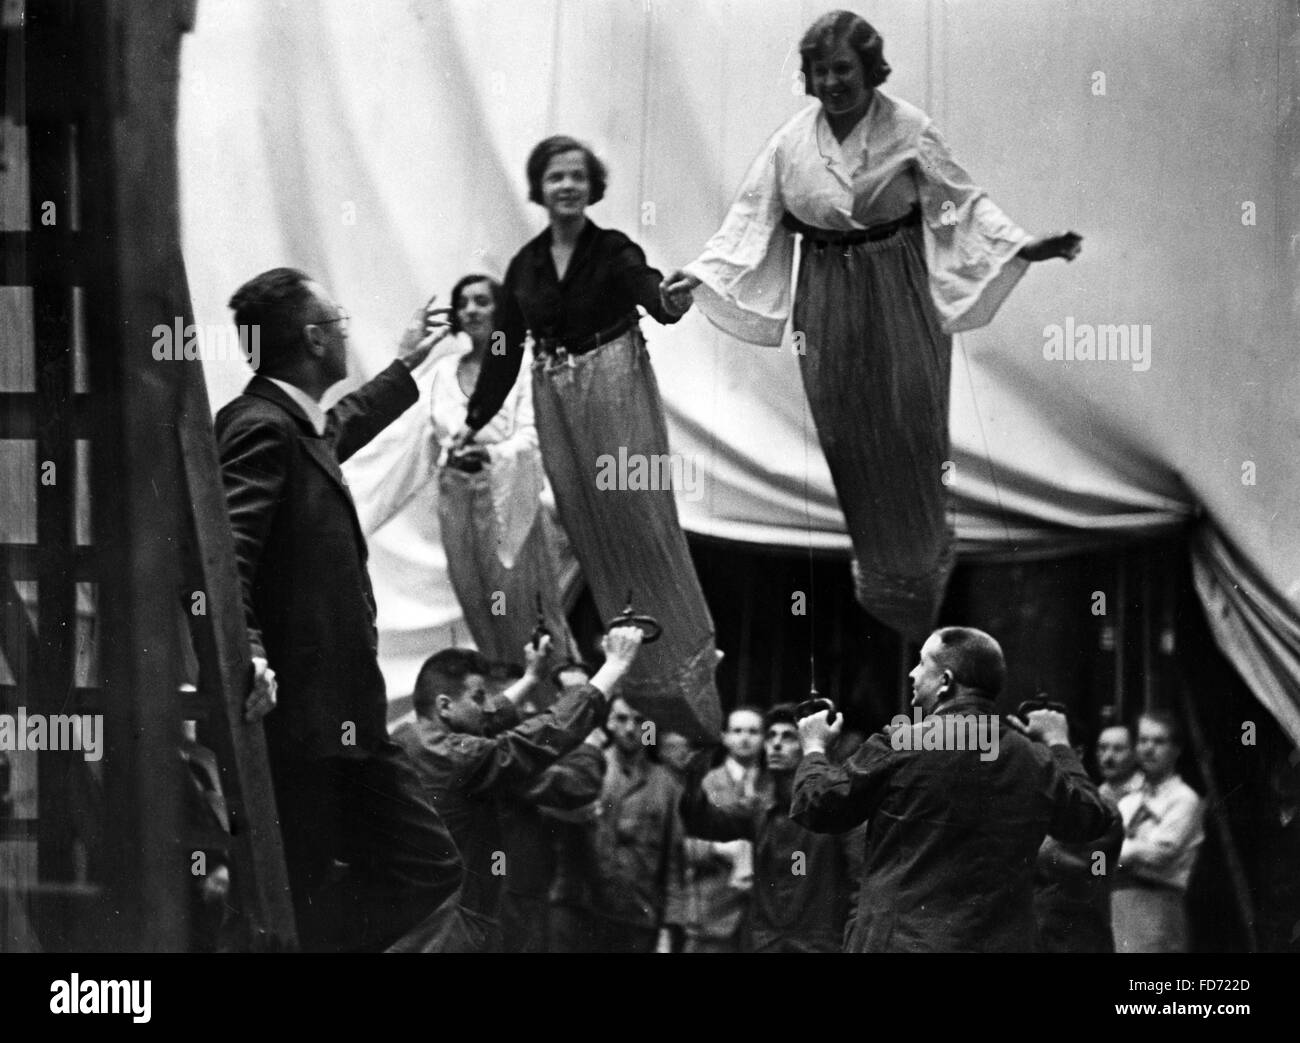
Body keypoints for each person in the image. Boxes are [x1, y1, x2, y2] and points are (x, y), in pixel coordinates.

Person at [661, 11, 1082, 640]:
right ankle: (884, 573)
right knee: (847, 426)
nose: (833, 81)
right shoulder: (789, 143)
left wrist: (1024, 247)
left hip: (899, 280)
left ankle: (928, 549)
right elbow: (749, 222)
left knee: (909, 416)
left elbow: (959, 203)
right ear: (808, 76)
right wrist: (696, 277)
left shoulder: (909, 128)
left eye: (844, 69)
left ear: (870, 70)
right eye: (821, 70)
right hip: (826, 288)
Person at [215, 268, 465, 952]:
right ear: (315, 338)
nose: (347, 334)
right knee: (378, 873)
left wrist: (407, 363)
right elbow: (226, 554)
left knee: (400, 872)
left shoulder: (292, 425)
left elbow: (339, 429)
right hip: (305, 722)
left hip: (340, 717)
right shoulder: (260, 426)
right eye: (341, 322)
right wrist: (252, 655)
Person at [453, 135, 721, 742]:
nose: (566, 186)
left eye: (577, 176)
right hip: (554, 394)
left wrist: (670, 301)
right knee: (585, 522)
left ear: (592, 185)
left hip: (614, 383)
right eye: (555, 178)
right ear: (540, 189)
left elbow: (651, 292)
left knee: (636, 513)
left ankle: (689, 652)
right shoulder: (524, 266)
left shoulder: (612, 249)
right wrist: (473, 421)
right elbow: (502, 353)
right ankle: (643, 669)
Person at [791, 626, 1117, 952]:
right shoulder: (1034, 758)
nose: (911, 673)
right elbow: (1090, 818)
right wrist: (1059, 743)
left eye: (921, 664)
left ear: (946, 681)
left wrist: (814, 748)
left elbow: (817, 807)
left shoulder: (904, 741)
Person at [350, 273, 577, 664]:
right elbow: (399, 440)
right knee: (481, 610)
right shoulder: (441, 372)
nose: (471, 310)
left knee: (529, 612)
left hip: (510, 501)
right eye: (463, 303)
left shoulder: (523, 366)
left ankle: (559, 702)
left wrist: (488, 455)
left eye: (482, 301)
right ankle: (512, 705)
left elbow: (533, 437)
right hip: (456, 504)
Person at [391, 628, 643, 951]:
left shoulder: (408, 736)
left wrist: (532, 676)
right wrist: (611, 670)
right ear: (444, 706)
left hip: (421, 921)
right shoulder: (459, 756)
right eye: (478, 697)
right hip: (448, 933)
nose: (487, 706)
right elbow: (532, 741)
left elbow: (487, 717)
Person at [679, 705, 863, 953]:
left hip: (818, 945)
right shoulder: (760, 809)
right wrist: (693, 776)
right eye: (771, 736)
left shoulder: (837, 810)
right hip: (768, 944)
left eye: (788, 737)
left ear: (807, 745)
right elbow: (706, 821)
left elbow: (859, 887)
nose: (776, 744)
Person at [550, 696, 684, 953]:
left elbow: (674, 862)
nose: (630, 728)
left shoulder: (666, 784)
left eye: (639, 721)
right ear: (608, 722)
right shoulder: (588, 770)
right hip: (585, 909)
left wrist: (669, 925)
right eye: (621, 718)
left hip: (638, 914)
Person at [670, 706, 769, 953]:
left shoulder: (775, 785)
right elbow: (679, 846)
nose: (744, 738)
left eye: (753, 731)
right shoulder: (704, 784)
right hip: (712, 914)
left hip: (762, 919)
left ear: (764, 737)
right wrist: (721, 849)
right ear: (724, 736)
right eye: (737, 731)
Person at [1112, 710, 1205, 953]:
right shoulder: (1128, 801)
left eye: (1159, 741)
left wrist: (1120, 853)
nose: (1148, 749)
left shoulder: (1184, 800)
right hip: (1120, 903)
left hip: (1157, 905)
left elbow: (1159, 854)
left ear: (1176, 749)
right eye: (1143, 741)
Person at [1031, 719, 1124, 953]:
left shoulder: (1102, 812)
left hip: (1076, 942)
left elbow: (1090, 868)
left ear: (1077, 753)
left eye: (1046, 747)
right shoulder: (1026, 804)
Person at [1097, 720, 1144, 804]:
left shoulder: (1145, 793)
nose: (1108, 757)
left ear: (1135, 753)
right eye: (1103, 748)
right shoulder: (1098, 794)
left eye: (1118, 749)